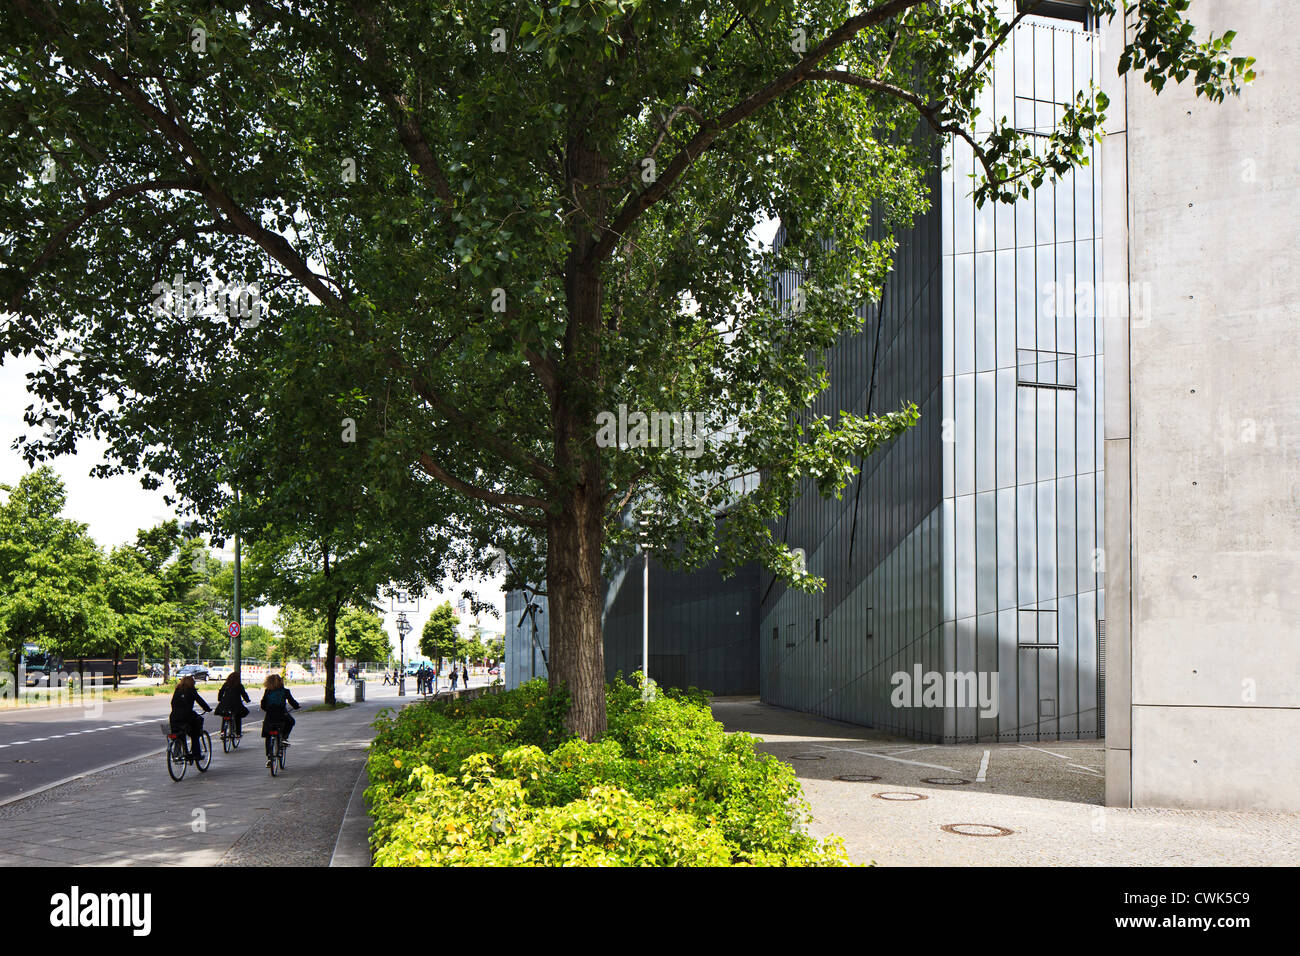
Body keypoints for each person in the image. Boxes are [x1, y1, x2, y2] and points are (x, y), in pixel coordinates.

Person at [261, 673, 302, 766]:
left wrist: (268, 709)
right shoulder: (285, 691)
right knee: (291, 721)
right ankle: (284, 737)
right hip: (281, 715)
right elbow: (292, 702)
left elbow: (263, 704)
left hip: (270, 716)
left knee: (268, 736)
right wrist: (296, 706)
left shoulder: (267, 691)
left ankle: (269, 757)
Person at [169, 674, 212, 762]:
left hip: (174, 717)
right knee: (195, 733)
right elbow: (200, 701)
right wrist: (207, 709)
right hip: (187, 716)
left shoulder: (177, 690)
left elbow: (172, 703)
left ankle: (179, 752)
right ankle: (196, 754)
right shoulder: (191, 691)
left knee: (179, 733)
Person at [215, 670, 251, 737]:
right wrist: (247, 700)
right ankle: (238, 733)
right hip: (236, 705)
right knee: (238, 717)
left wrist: (220, 699)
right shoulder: (239, 685)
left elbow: (221, 692)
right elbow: (244, 694)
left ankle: (222, 732)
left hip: (225, 704)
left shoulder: (226, 684)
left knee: (225, 716)